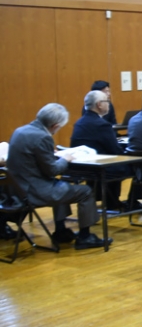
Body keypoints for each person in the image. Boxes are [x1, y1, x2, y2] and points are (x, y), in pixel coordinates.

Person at [6, 103, 109, 249]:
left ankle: (61, 231)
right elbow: (53, 170)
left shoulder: (20, 131)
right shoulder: (43, 137)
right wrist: (65, 159)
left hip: (17, 189)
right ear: (55, 126)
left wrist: (51, 155)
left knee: (62, 186)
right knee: (85, 192)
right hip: (34, 192)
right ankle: (85, 237)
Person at [70, 90, 128, 211]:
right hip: (99, 169)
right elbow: (115, 150)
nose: (109, 104)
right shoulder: (102, 125)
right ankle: (123, 202)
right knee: (134, 166)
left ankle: (111, 200)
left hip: (81, 169)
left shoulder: (78, 123)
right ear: (99, 105)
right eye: (107, 101)